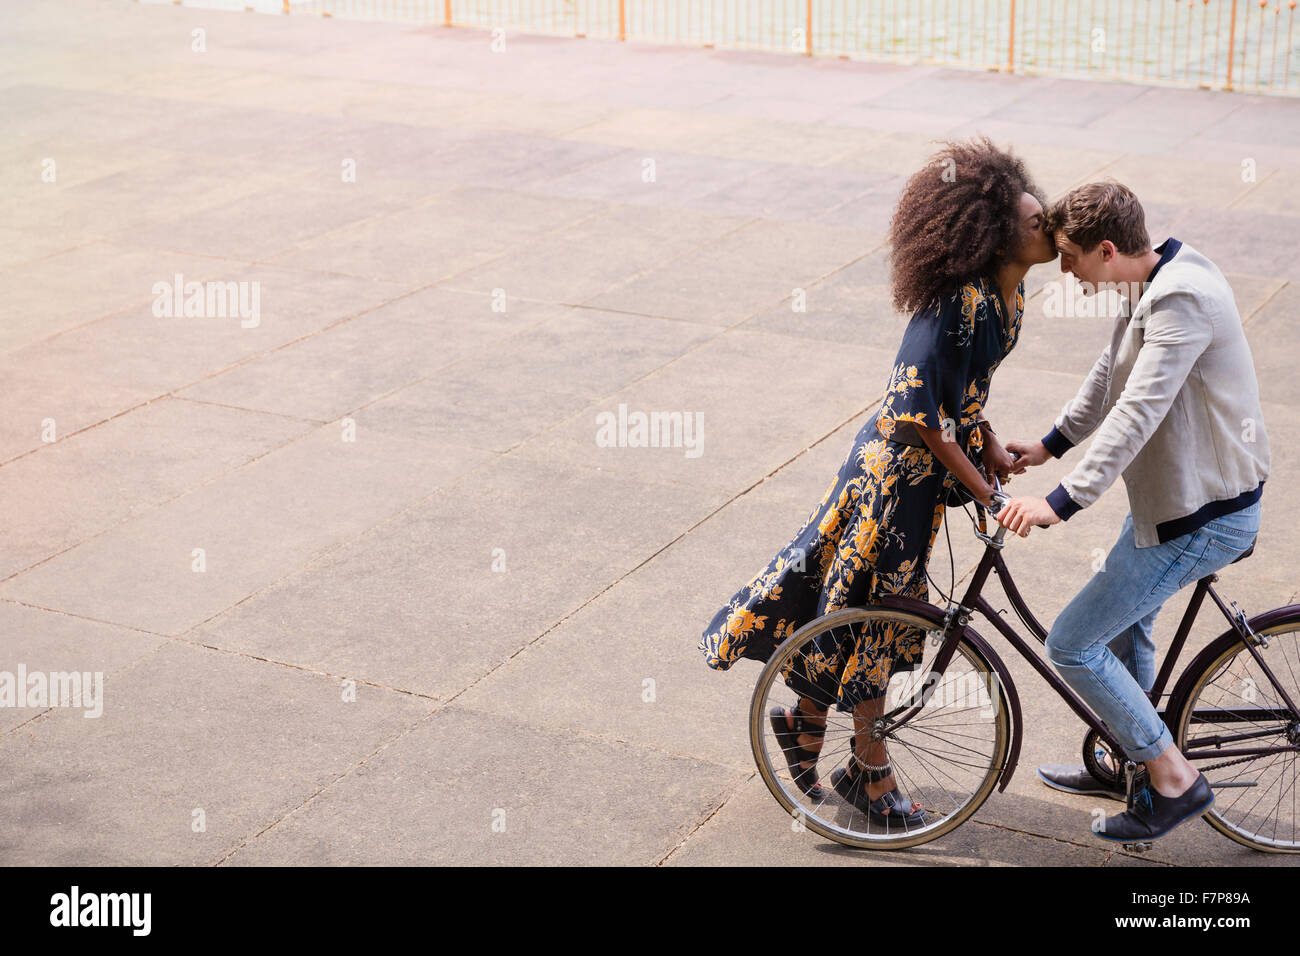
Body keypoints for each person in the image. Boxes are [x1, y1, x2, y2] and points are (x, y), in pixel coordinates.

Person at [698, 136, 1057, 827]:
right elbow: (922, 410)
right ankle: (869, 767)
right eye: (1035, 221)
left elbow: (963, 395)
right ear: (994, 234)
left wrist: (992, 451)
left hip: (925, 479)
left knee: (857, 605)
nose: (1048, 228)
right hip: (892, 479)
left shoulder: (1009, 301)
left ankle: (805, 728)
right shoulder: (958, 299)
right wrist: (989, 493)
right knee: (883, 621)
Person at [997, 180, 1271, 842]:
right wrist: (1048, 444)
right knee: (1125, 633)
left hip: (1202, 517)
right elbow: (1109, 374)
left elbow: (1137, 412)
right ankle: (1133, 761)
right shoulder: (1157, 276)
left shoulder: (1182, 301)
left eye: (1069, 257)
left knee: (1072, 643)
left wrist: (1060, 502)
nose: (1063, 270)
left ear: (1108, 249)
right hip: (1172, 503)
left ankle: (1172, 779)